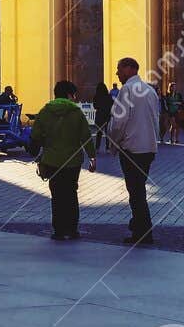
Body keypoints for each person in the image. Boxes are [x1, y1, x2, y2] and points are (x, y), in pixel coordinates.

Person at [33, 80, 96, 240]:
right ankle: (72, 229)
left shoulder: (45, 111)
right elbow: (85, 137)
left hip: (52, 160)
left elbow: (35, 136)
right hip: (73, 161)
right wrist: (92, 156)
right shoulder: (76, 113)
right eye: (74, 95)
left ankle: (59, 230)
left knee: (57, 195)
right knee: (71, 193)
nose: (75, 98)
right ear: (69, 94)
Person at [108, 57, 161, 245]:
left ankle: (143, 231)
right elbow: (156, 119)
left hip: (132, 148)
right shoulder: (150, 90)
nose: (117, 73)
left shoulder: (127, 90)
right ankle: (139, 226)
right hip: (148, 147)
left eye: (119, 69)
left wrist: (113, 142)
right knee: (139, 189)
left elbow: (119, 122)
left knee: (135, 192)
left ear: (130, 69)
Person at [92, 81, 114, 153]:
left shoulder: (96, 97)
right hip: (107, 116)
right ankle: (108, 148)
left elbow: (95, 106)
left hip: (99, 116)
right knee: (108, 133)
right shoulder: (108, 96)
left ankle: (97, 148)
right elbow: (112, 104)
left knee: (99, 133)